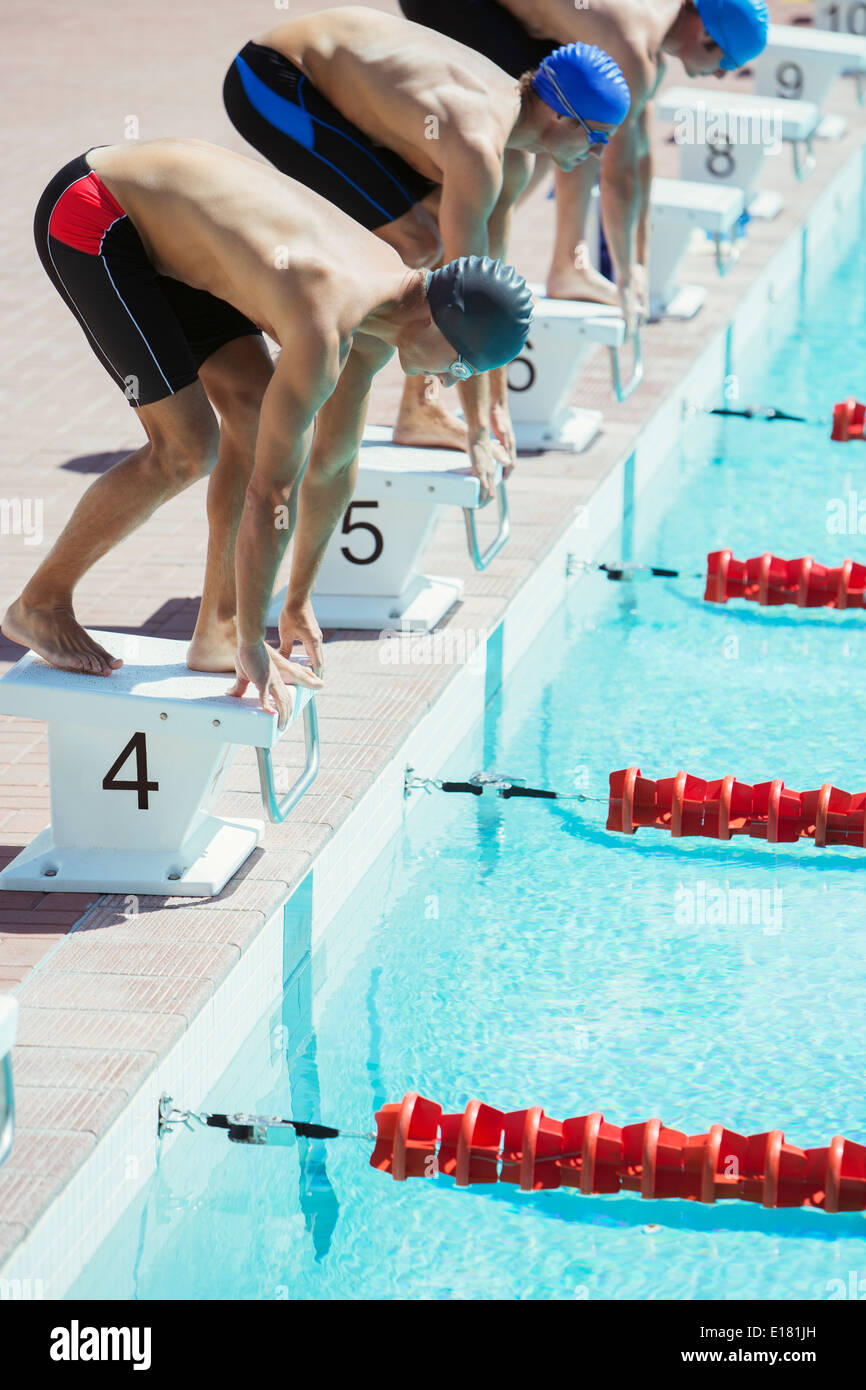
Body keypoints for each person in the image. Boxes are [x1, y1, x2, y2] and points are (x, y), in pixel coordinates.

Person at [3, 139, 532, 724]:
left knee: (254, 421)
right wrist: (259, 642)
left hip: (168, 232)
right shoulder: (327, 322)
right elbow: (270, 493)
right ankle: (39, 604)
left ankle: (217, 631)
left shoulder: (390, 310)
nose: (447, 377)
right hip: (98, 213)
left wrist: (300, 599)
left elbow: (333, 461)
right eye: (458, 363)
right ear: (439, 322)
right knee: (186, 448)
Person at [223, 6, 629, 483]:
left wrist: (496, 403)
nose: (598, 154)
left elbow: (486, 279)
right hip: (274, 77)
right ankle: (294, 376)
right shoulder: (478, 145)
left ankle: (418, 410)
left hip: (323, 73)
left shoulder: (511, 155)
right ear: (561, 115)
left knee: (424, 242)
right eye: (597, 137)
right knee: (414, 244)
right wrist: (477, 429)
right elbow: (459, 301)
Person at [399, 0, 769, 331]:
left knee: (578, 121)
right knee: (537, 138)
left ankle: (566, 263)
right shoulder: (634, 50)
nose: (721, 76)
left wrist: (639, 264)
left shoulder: (649, 39)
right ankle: (433, 256)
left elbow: (639, 154)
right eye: (728, 64)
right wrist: (626, 275)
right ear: (706, 34)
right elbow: (618, 174)